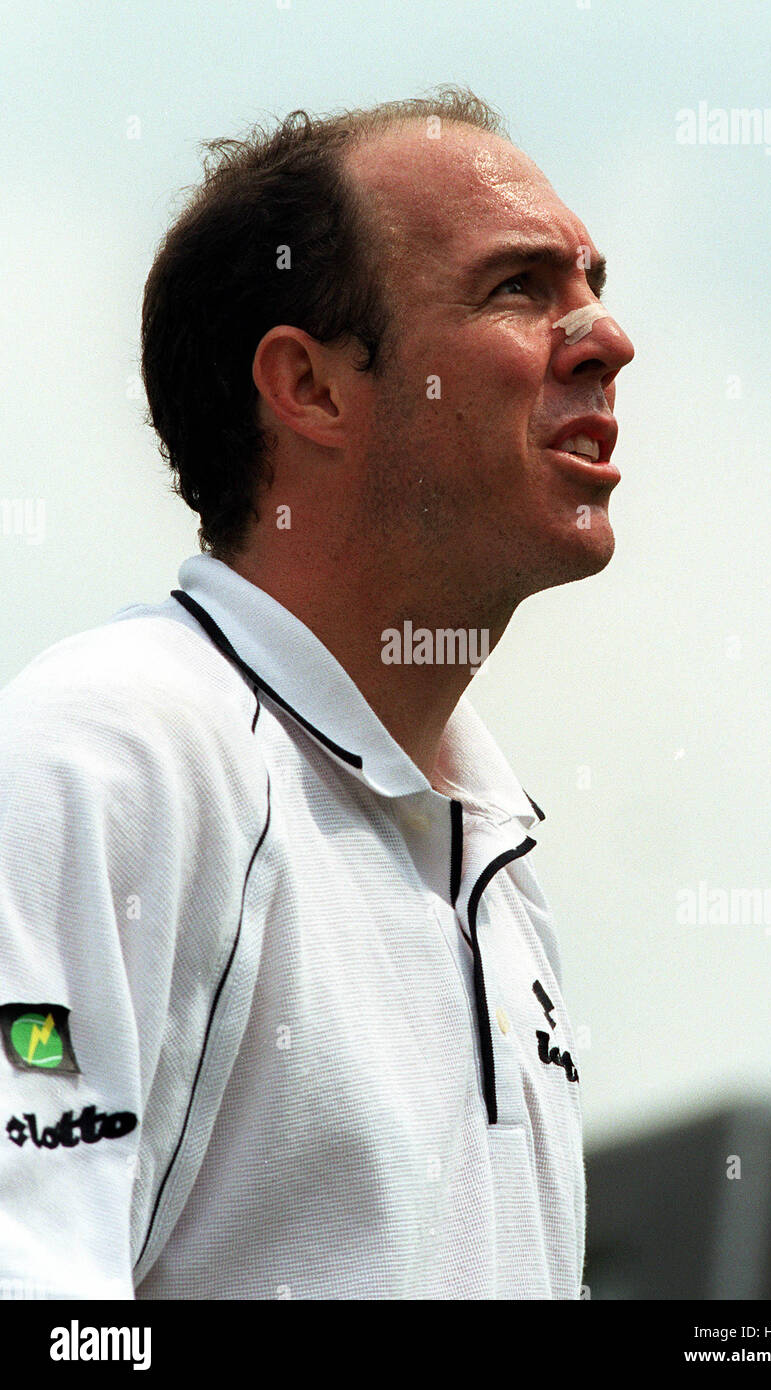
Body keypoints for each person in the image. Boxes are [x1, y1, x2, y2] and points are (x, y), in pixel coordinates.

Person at [0, 87, 634, 1300]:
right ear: (310, 386)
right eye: (518, 287)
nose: (602, 336)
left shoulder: (500, 864)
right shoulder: (114, 749)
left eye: (590, 281)